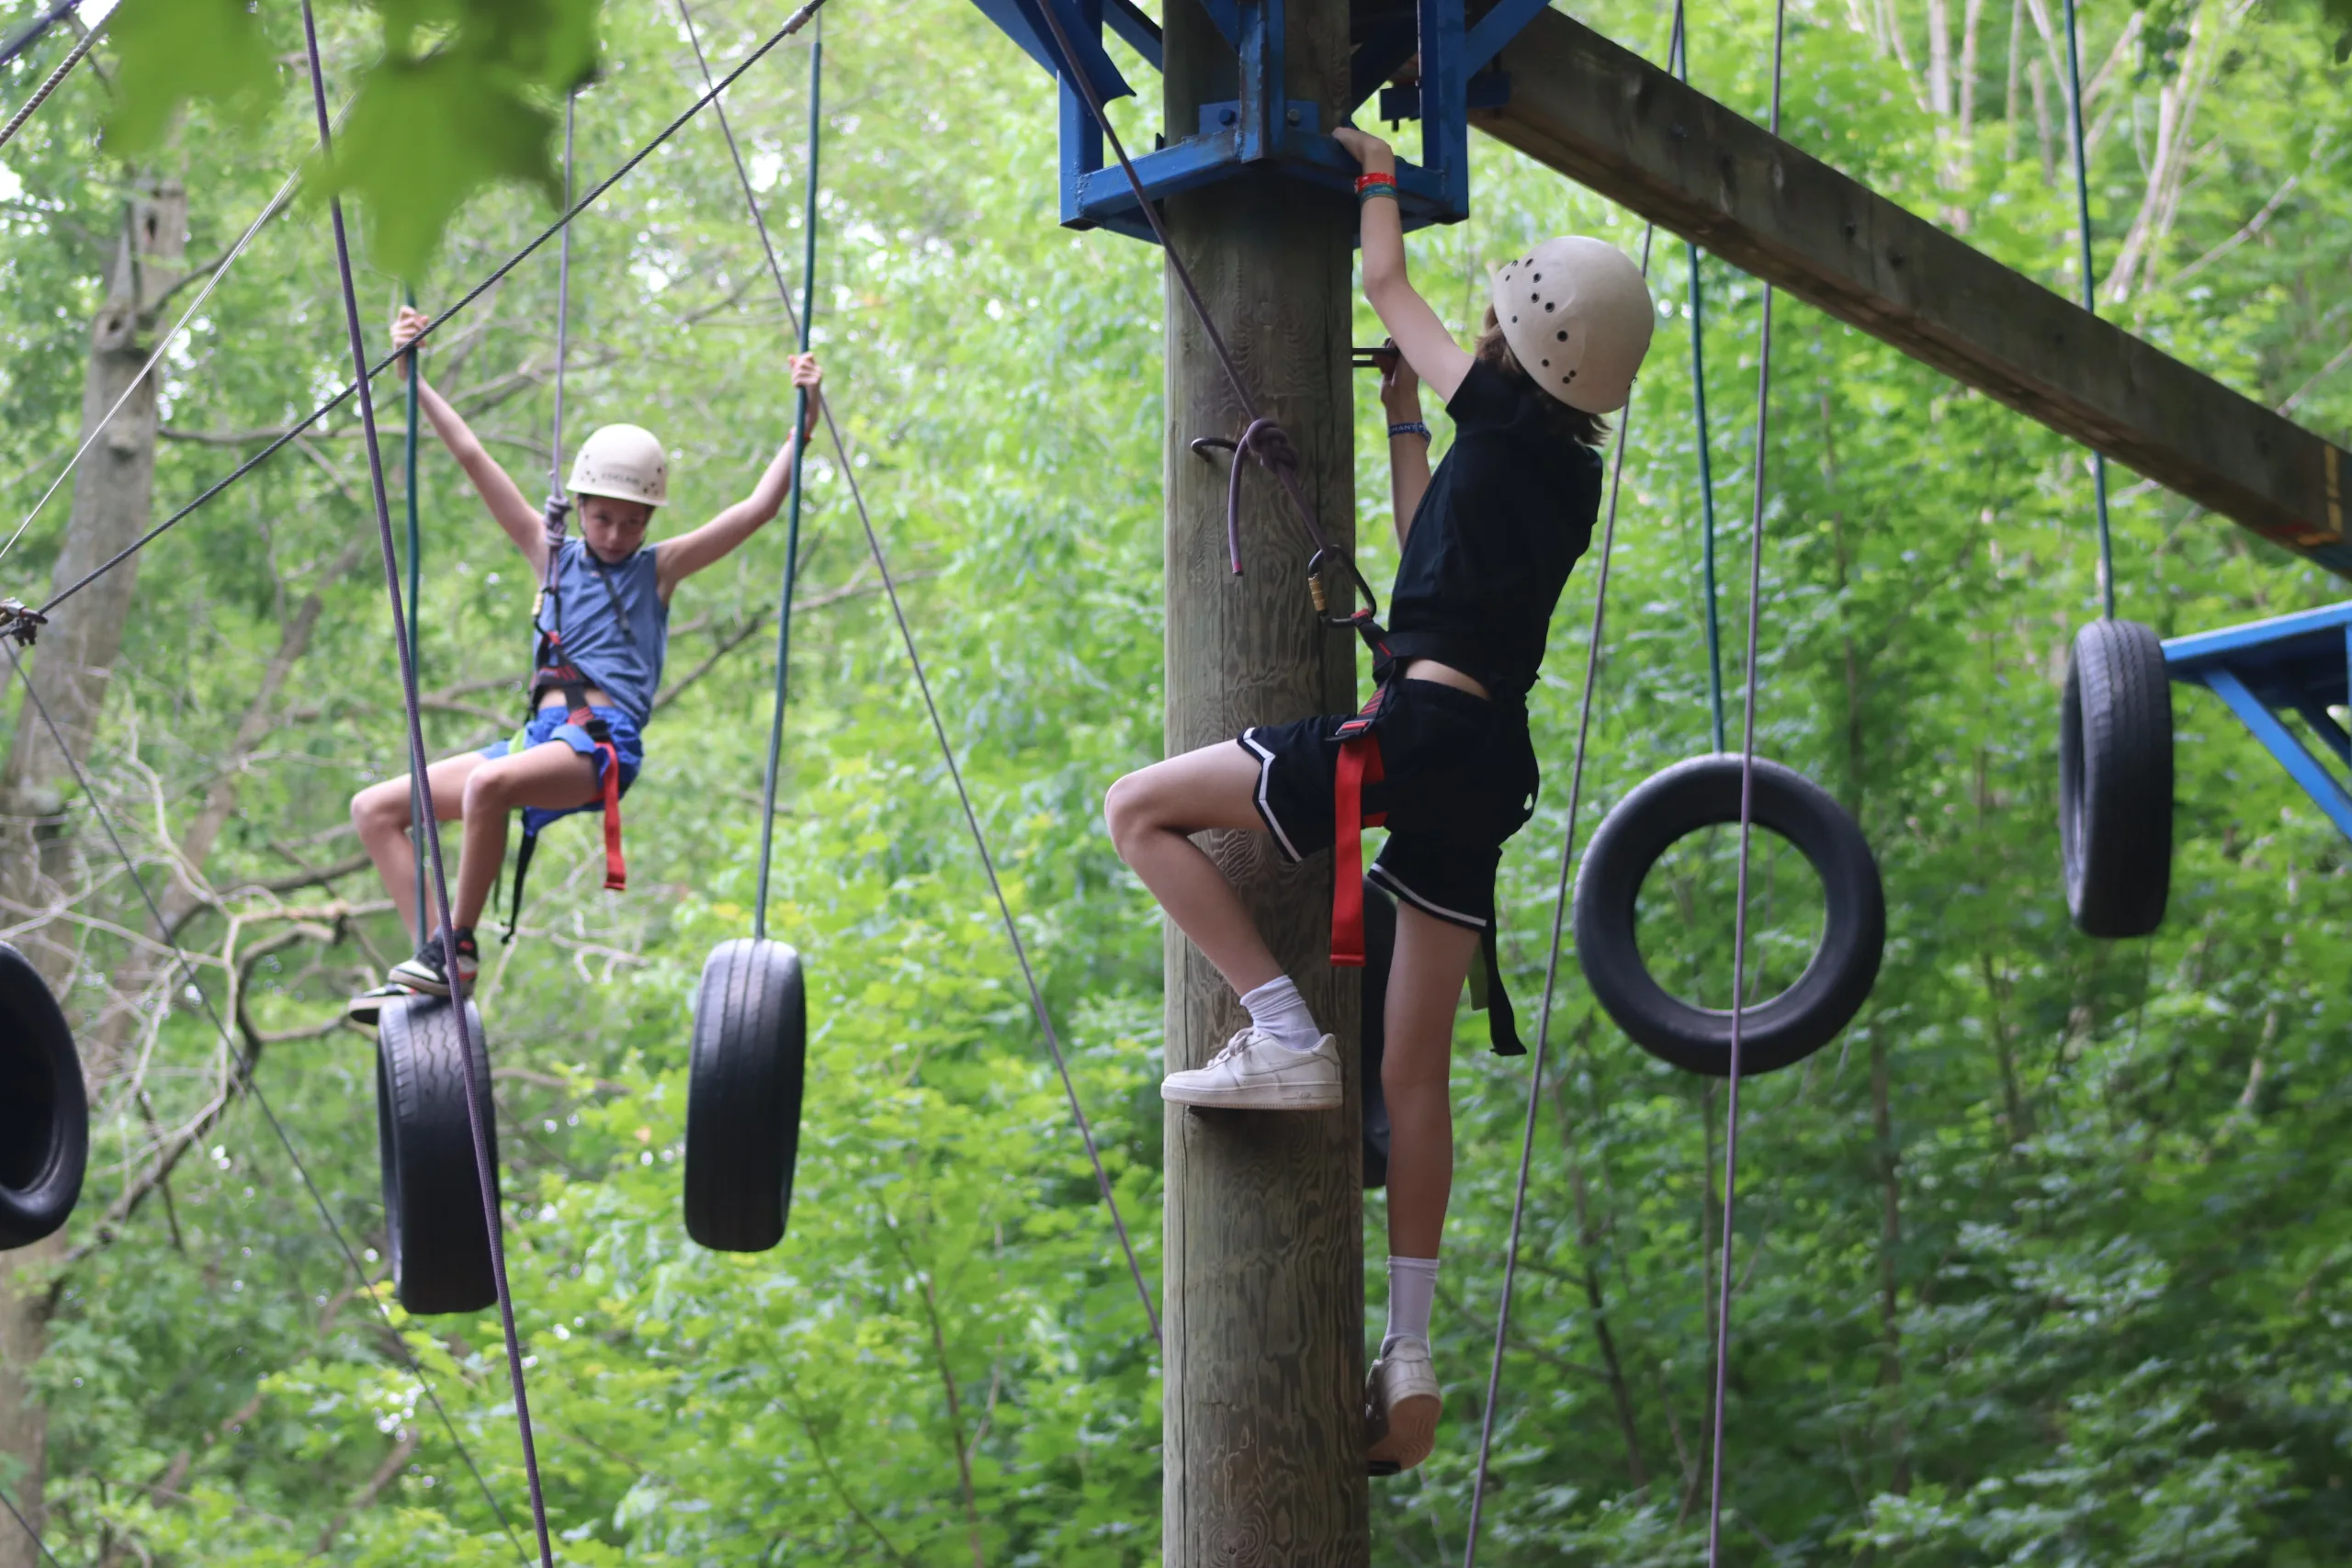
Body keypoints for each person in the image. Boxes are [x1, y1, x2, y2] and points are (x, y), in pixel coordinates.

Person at [1102, 129, 1654, 1472]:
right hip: (1480, 759)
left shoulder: (1503, 409)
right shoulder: (1563, 472)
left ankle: (1280, 1022)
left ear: (1524, 333)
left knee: (1138, 809)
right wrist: (1405, 415)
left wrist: (1370, 174)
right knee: (1414, 1076)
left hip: (1410, 730)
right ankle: (1409, 1341)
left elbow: (1386, 283)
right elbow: (1425, 549)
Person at [347, 303, 823, 1021]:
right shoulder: (551, 554)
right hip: (537, 740)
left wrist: (805, 421)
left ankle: (456, 950)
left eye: (633, 521)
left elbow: (755, 509)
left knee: (488, 789)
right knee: (377, 808)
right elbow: (475, 459)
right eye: (602, 517)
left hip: (599, 747)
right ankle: (434, 954)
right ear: (580, 505)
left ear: (650, 522)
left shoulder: (659, 570)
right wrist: (414, 374)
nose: (615, 532)